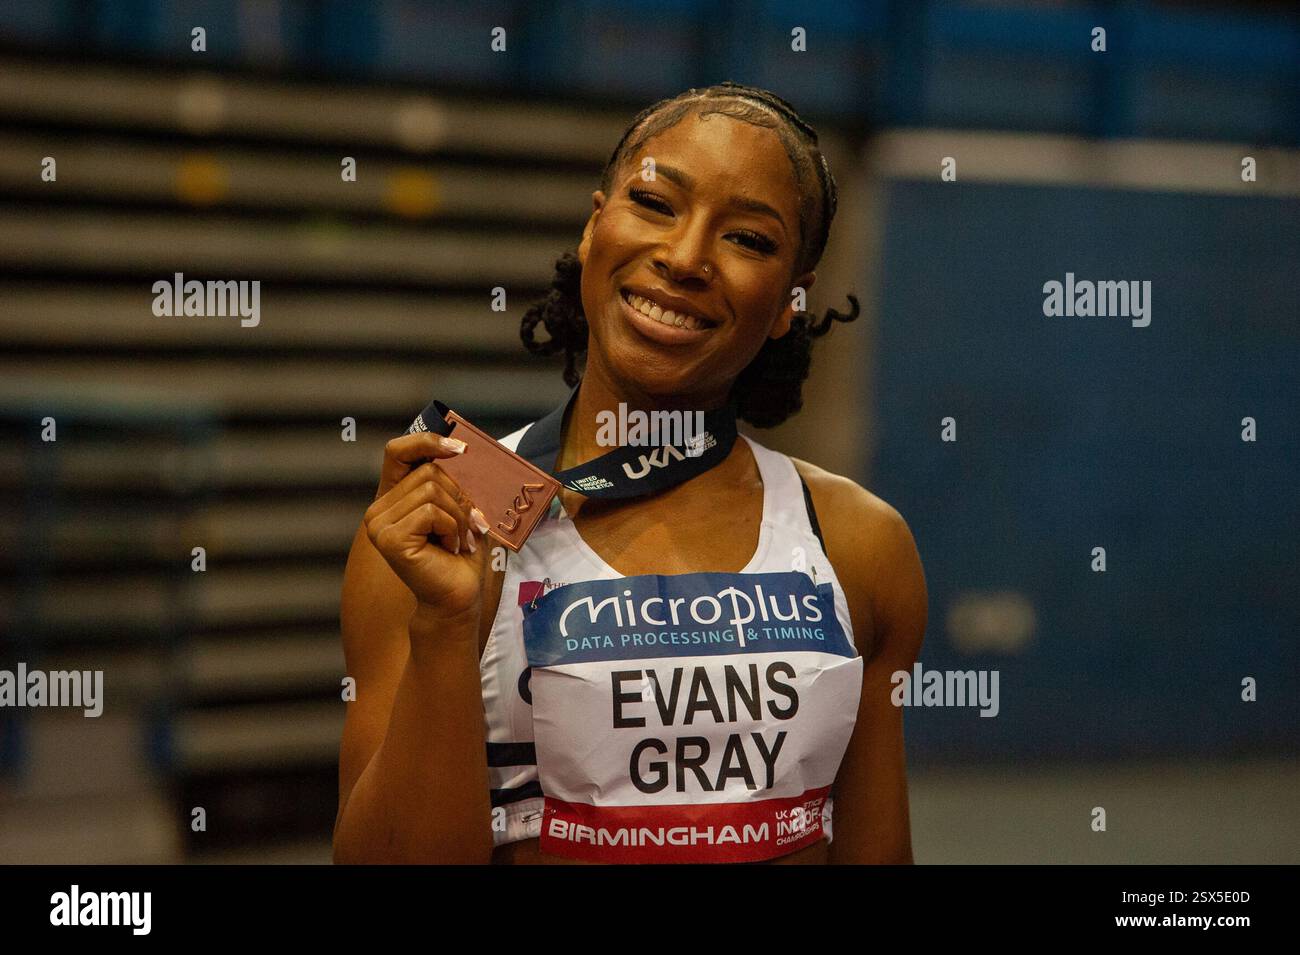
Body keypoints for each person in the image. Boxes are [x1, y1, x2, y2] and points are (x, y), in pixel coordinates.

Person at [332, 82, 927, 864]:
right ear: (594, 225)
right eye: (653, 202)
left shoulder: (858, 545)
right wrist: (445, 626)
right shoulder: (450, 520)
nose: (684, 258)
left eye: (747, 239)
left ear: (789, 300)